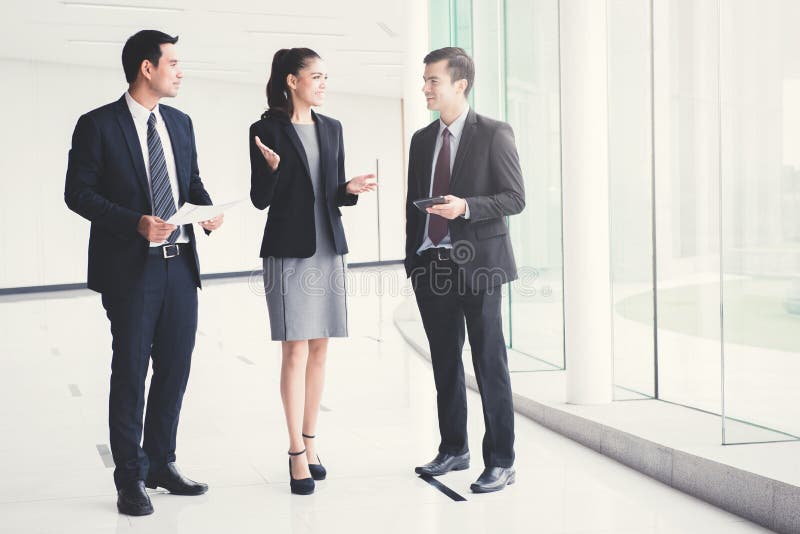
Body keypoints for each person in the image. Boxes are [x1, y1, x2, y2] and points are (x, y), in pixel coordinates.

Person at [64, 30, 223, 516]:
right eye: (173, 63)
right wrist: (135, 222)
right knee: (132, 372)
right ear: (146, 68)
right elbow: (78, 194)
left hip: (181, 267)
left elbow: (190, 183)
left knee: (174, 369)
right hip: (131, 269)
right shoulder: (98, 125)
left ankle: (161, 463)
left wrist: (207, 212)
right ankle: (129, 477)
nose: (180, 72)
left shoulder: (180, 122)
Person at [249, 48, 376, 495]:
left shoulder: (332, 128)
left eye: (325, 77)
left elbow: (331, 193)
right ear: (292, 80)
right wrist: (271, 171)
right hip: (289, 250)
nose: (323, 84)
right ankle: (294, 452)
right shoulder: (265, 130)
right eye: (316, 76)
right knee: (295, 351)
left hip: (328, 247)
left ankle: (312, 441)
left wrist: (348, 188)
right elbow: (260, 200)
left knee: (321, 347)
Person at [404, 47, 525, 493]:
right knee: (444, 363)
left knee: (489, 363)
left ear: (460, 84)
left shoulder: (494, 134)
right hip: (431, 266)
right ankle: (454, 448)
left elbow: (515, 198)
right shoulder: (422, 140)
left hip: (479, 267)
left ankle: (502, 461)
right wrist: (413, 260)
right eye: (424, 80)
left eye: (432, 80)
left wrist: (466, 207)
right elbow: (412, 206)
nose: (425, 88)